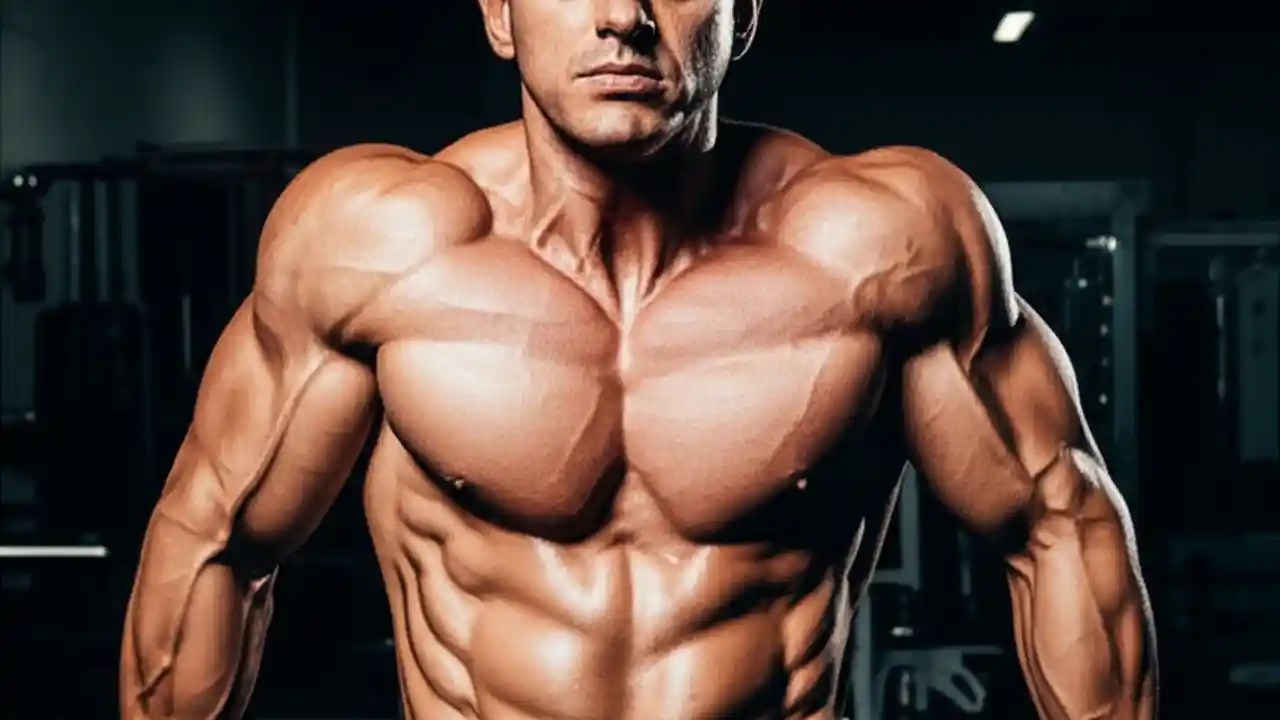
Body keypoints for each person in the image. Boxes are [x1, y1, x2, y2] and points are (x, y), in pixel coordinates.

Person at [120, 1, 1158, 718]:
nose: (621, 14)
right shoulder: (377, 246)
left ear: (741, 16)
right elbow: (209, 544)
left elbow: (1061, 526)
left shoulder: (884, 244)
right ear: (498, 15)